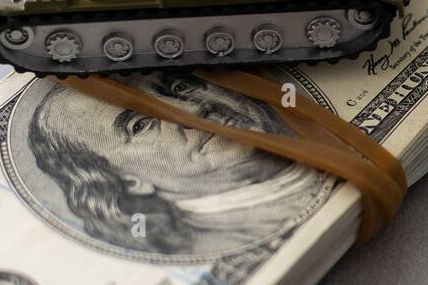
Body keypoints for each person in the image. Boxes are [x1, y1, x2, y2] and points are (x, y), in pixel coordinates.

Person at [26, 72, 329, 256]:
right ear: (128, 180)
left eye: (177, 88)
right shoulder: (220, 244)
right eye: (141, 125)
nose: (192, 109)